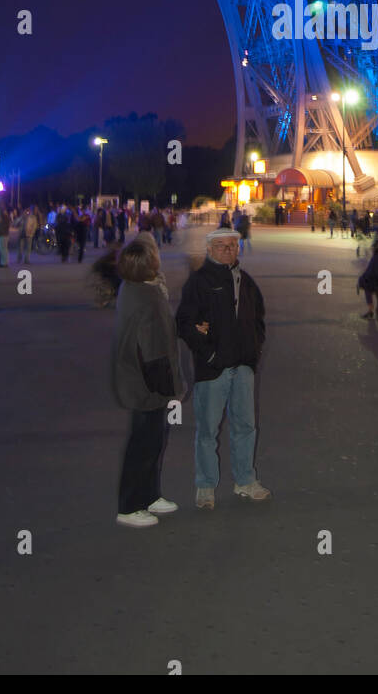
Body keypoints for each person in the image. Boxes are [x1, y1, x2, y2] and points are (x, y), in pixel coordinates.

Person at [176, 227, 269, 510]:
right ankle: (205, 486)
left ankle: (245, 481)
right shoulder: (199, 282)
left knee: (246, 427)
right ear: (209, 250)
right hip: (213, 369)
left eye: (232, 245)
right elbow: (183, 323)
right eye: (221, 246)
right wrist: (209, 352)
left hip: (242, 367)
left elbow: (258, 320)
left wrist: (254, 352)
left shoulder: (247, 282)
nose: (228, 250)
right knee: (207, 431)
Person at [112, 236, 185, 529]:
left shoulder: (133, 289)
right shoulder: (148, 297)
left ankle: (149, 494)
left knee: (153, 440)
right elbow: (153, 349)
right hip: (146, 381)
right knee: (143, 443)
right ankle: (130, 505)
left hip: (138, 376)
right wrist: (171, 388)